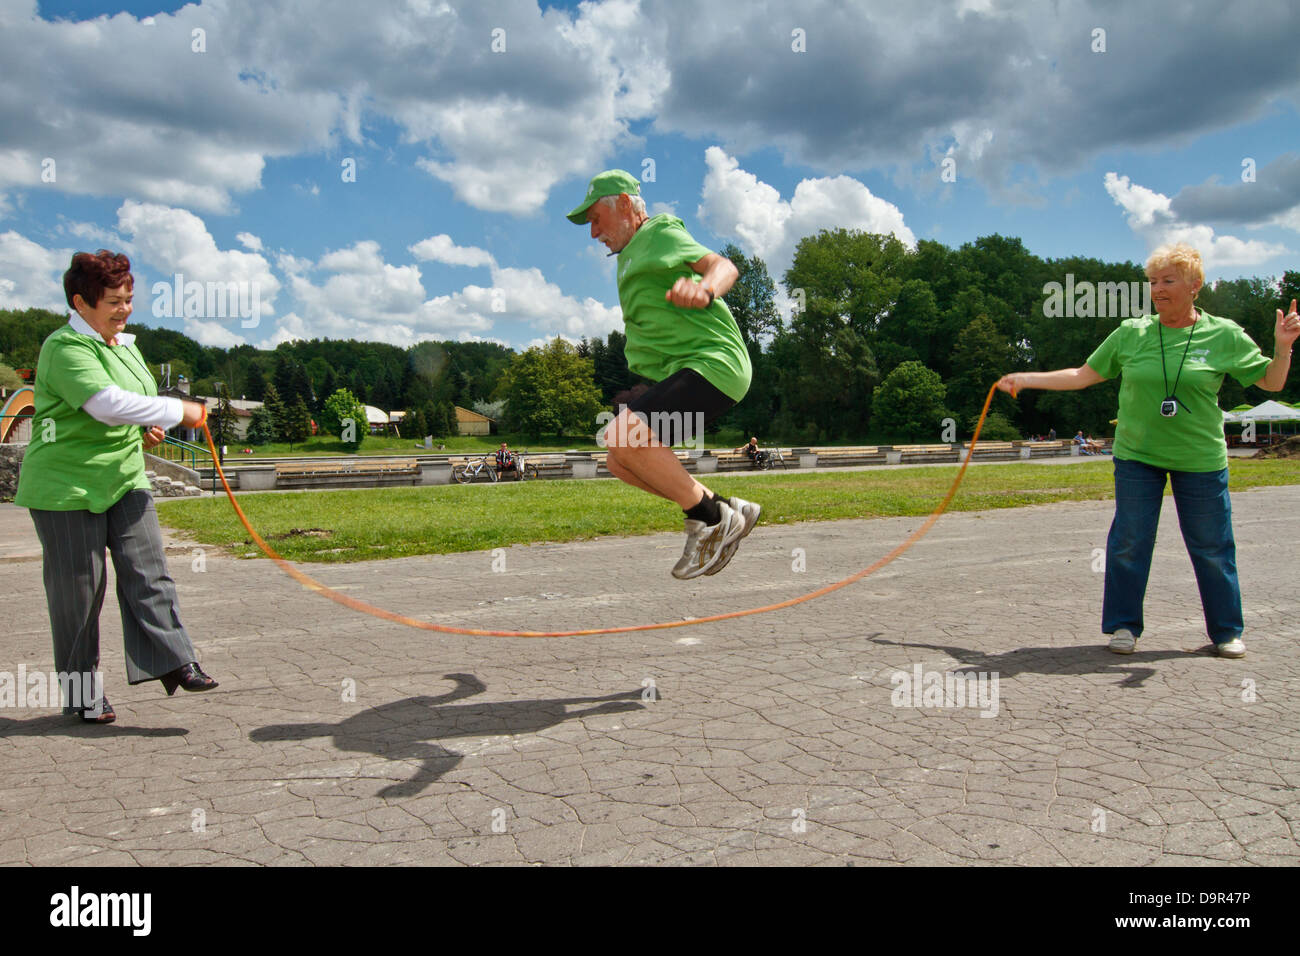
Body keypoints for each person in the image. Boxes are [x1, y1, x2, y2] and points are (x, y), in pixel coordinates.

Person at [998, 243, 1298, 660]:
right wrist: (1027, 377)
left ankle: (1227, 631)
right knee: (1129, 540)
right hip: (1138, 455)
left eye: (1168, 280)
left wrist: (1283, 346)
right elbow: (1084, 375)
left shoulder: (1223, 333)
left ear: (1195, 286)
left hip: (1200, 459)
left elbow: (1271, 382)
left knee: (1212, 546)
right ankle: (1124, 626)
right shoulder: (1131, 333)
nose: (1157, 289)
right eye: (1153, 281)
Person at [14, 250, 220, 723]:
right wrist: (180, 411)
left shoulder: (126, 345)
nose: (124, 309)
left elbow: (135, 403)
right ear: (81, 301)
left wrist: (149, 426)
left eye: (128, 299)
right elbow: (106, 405)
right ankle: (81, 695)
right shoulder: (64, 348)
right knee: (79, 595)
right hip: (65, 488)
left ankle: (176, 660)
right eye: (113, 301)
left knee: (149, 571)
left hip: (124, 477)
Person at [569, 170, 760, 578]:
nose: (593, 233)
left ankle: (711, 519)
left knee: (623, 435)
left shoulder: (658, 232)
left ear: (625, 204)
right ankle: (724, 508)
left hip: (714, 363)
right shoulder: (630, 258)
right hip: (686, 370)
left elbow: (722, 265)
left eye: (596, 219)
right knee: (622, 460)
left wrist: (707, 289)